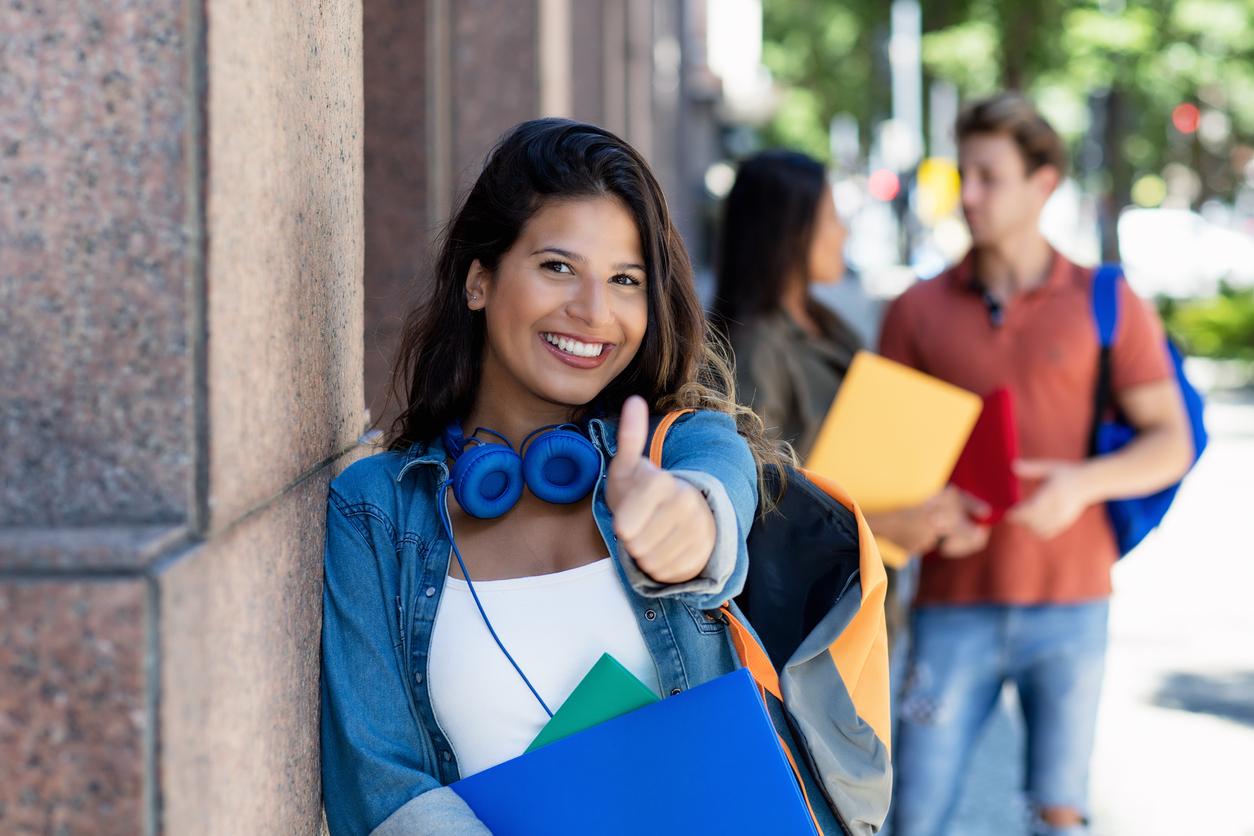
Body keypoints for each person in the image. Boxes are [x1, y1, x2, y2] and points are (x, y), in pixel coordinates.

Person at [320, 119, 843, 835]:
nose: (594, 312)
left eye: (625, 281)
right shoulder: (377, 510)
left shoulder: (680, 447)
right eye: (558, 267)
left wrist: (684, 529)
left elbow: (713, 506)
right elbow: (379, 782)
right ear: (480, 280)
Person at [880, 93, 1195, 836]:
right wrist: (921, 517)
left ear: (1044, 182)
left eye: (991, 176)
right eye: (965, 175)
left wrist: (1083, 483)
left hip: (1074, 605)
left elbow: (1170, 442)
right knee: (912, 813)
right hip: (953, 605)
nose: (971, 196)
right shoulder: (916, 311)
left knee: (1059, 817)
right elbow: (879, 478)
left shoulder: (1105, 301)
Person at [711, 150, 986, 645]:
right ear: (787, 231)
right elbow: (756, 513)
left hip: (856, 597)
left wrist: (928, 510)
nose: (844, 233)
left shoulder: (825, 323)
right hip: (809, 623)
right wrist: (886, 526)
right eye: (832, 218)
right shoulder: (756, 349)